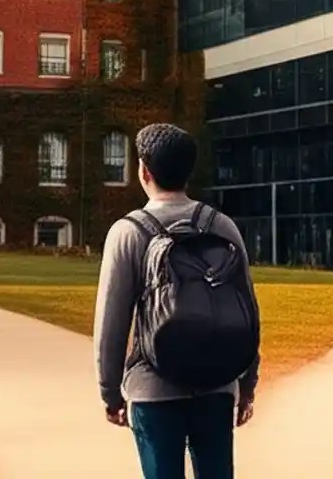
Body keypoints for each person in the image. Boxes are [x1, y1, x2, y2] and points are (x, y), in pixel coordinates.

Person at [93, 123, 261, 479]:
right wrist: (246, 385)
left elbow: (112, 322)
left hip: (154, 391)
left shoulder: (128, 232)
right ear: (189, 171)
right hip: (217, 386)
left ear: (144, 171)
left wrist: (110, 393)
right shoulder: (221, 226)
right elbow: (246, 311)